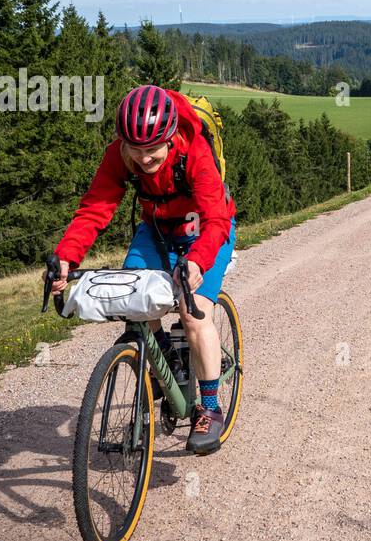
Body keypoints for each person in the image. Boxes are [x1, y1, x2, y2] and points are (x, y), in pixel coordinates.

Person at [50, 84, 237, 454]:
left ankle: (209, 408)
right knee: (130, 298)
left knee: (193, 312)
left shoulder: (194, 151)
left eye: (152, 149)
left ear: (170, 138)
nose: (144, 158)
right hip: (155, 230)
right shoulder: (121, 154)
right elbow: (95, 208)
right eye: (135, 149)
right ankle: (164, 355)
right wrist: (66, 257)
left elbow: (216, 219)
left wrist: (197, 261)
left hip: (206, 231)